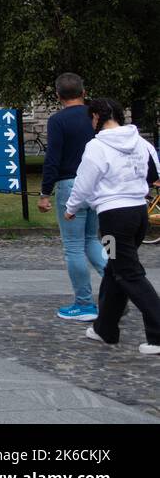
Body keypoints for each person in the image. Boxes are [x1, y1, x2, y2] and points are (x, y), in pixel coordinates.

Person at [64, 97, 160, 354]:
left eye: (91, 118)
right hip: (139, 214)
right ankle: (105, 328)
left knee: (128, 273)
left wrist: (71, 208)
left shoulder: (96, 147)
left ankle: (158, 333)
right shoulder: (141, 142)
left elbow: (83, 183)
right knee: (115, 270)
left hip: (113, 220)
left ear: (96, 116)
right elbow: (154, 172)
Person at [39, 73, 107, 321]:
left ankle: (84, 303)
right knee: (92, 239)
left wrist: (45, 193)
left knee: (74, 246)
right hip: (98, 185)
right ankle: (117, 285)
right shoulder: (96, 116)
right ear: (83, 91)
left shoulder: (58, 120)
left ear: (58, 95)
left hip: (70, 184)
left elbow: (53, 159)